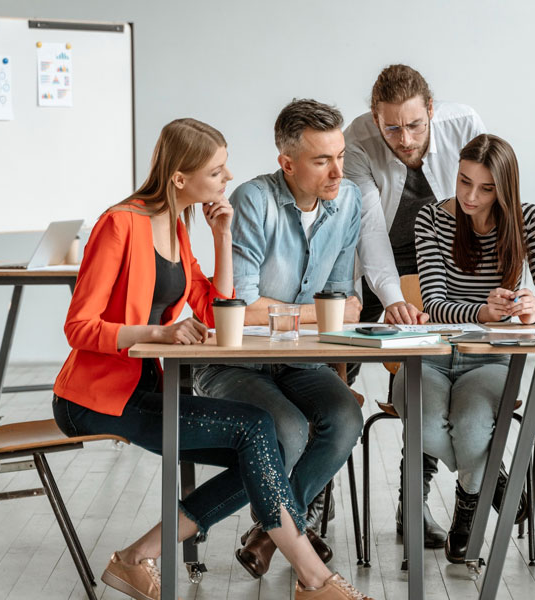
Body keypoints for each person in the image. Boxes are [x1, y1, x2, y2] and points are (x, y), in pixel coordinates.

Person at [51, 118, 371, 600]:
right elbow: (78, 326)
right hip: (95, 399)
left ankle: (136, 558)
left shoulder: (176, 226)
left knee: (266, 449)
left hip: (144, 390)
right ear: (180, 177)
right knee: (257, 431)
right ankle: (315, 579)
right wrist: (157, 332)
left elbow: (216, 307)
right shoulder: (120, 223)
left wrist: (222, 235)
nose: (228, 178)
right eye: (217, 171)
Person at [193, 100, 364, 578]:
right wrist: (319, 314)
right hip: (235, 362)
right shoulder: (253, 200)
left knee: (345, 417)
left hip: (300, 360)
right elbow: (241, 307)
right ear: (287, 163)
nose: (337, 172)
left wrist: (322, 314)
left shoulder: (348, 200)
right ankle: (291, 531)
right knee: (286, 428)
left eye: (340, 156)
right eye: (321, 160)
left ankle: (273, 531)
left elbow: (343, 303)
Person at [391, 134, 535, 563]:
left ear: (505, 189)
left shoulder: (528, 220)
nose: (470, 196)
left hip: (490, 359)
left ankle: (466, 513)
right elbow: (435, 304)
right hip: (428, 355)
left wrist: (533, 307)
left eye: (485, 188)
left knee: (471, 427)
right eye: (464, 181)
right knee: (425, 427)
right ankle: (493, 479)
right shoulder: (431, 218)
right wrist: (483, 311)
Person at [342, 64, 486, 547]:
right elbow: (369, 232)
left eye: (415, 125)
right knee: (333, 368)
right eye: (392, 128)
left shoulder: (464, 124)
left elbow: (484, 202)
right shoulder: (357, 141)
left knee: (429, 373)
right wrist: (394, 300)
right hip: (377, 261)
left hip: (445, 259)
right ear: (375, 118)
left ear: (431, 110)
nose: (405, 139)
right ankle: (315, 496)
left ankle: (413, 503)